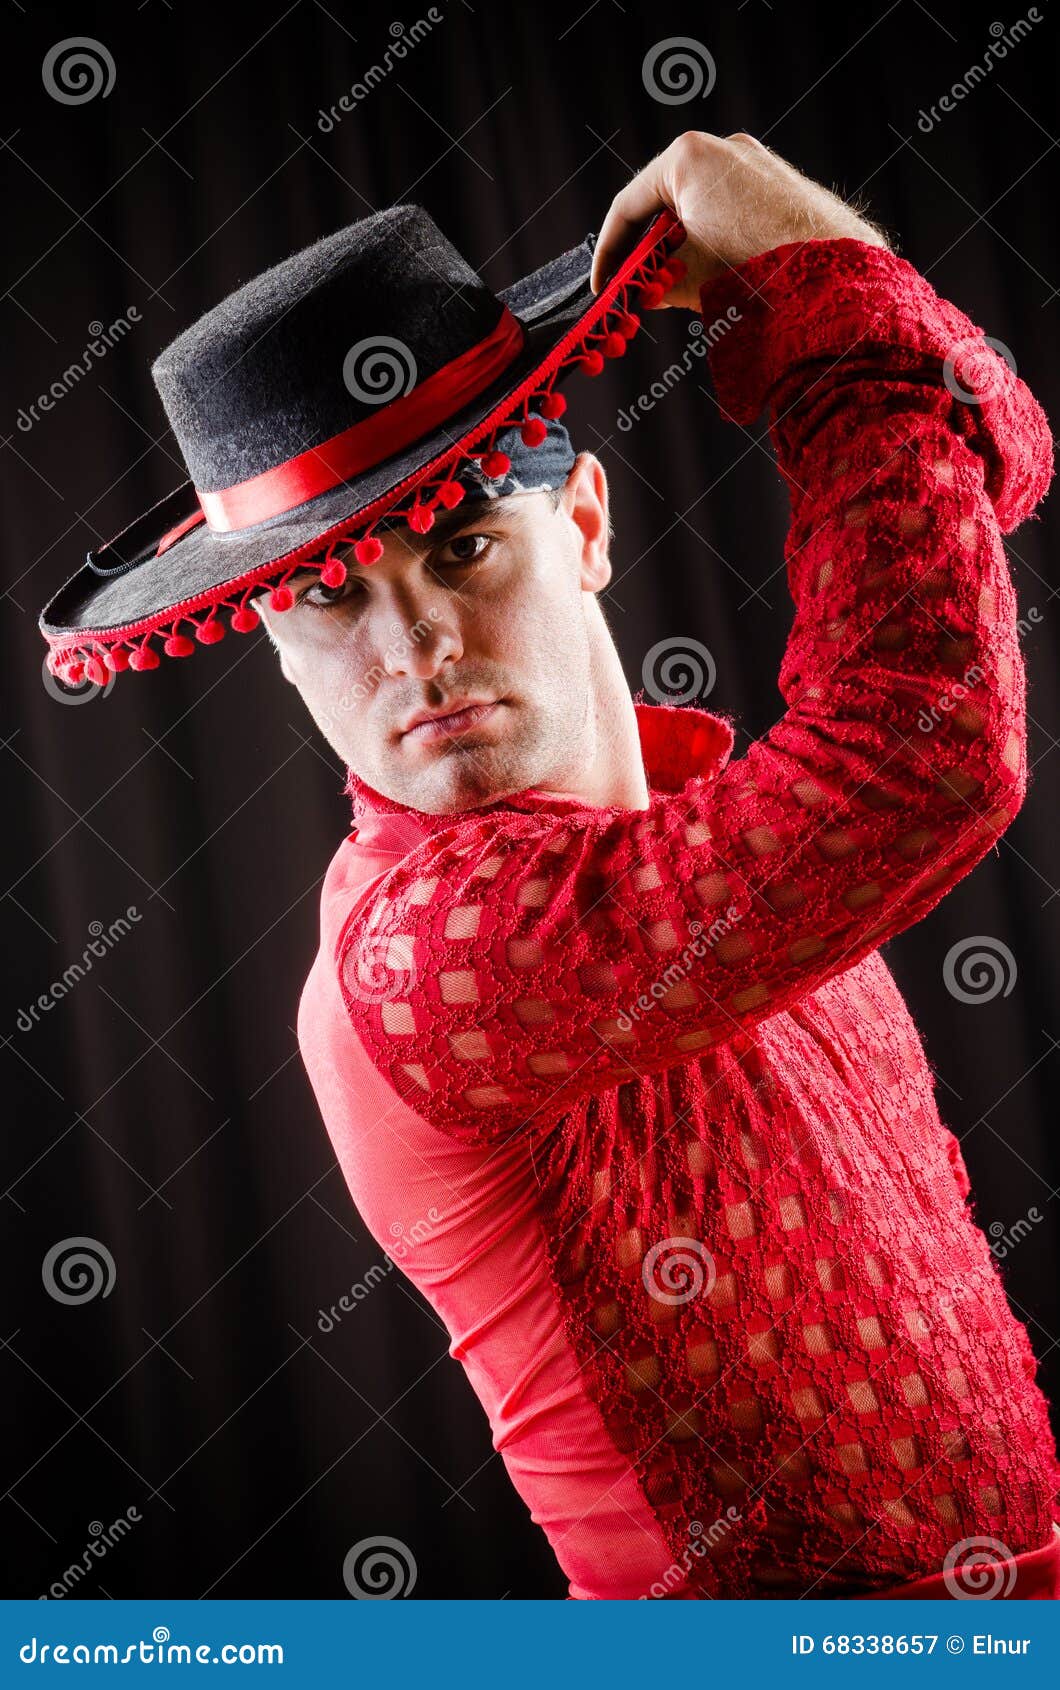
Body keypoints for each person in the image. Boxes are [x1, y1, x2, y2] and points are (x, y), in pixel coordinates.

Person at [39, 131, 1060, 1600]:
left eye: (460, 548)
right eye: (330, 602)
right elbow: (927, 748)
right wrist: (821, 279)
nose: (417, 652)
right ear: (275, 647)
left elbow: (999, 458)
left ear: (582, 525)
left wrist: (846, 296)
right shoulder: (430, 953)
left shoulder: (715, 828)